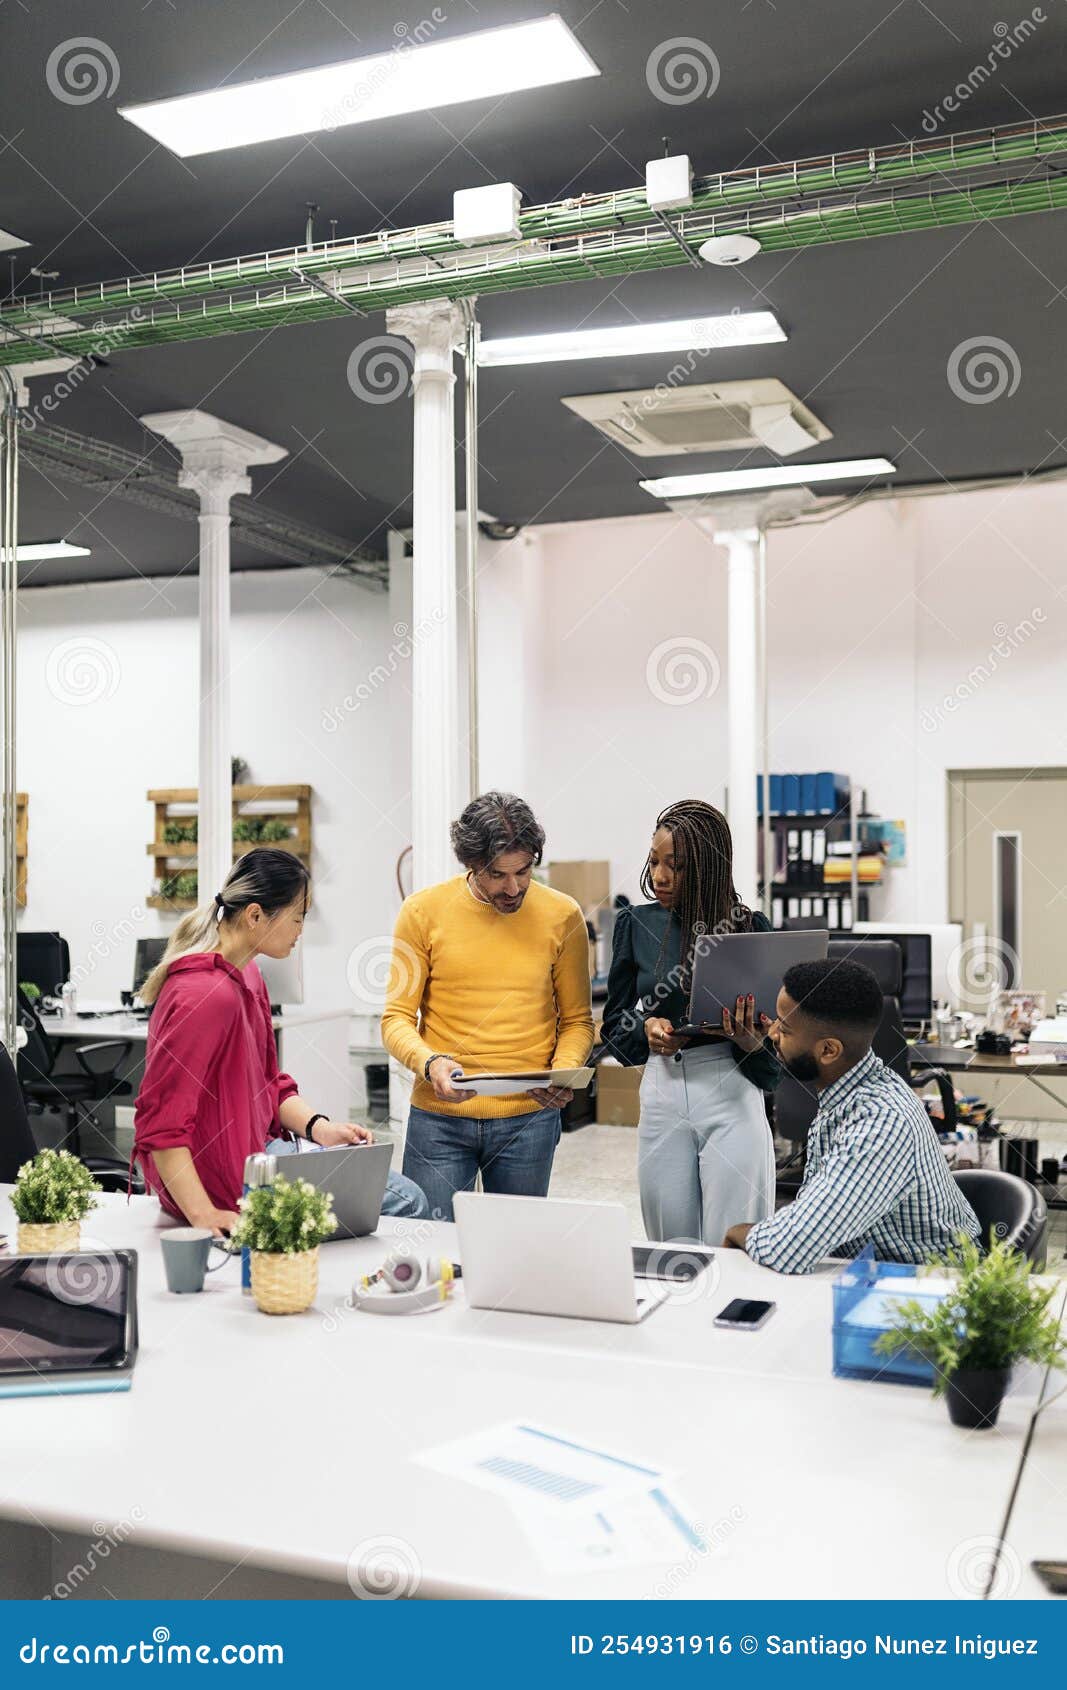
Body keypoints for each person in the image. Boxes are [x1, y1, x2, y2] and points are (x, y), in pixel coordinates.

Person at [134, 848, 428, 1234]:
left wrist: (319, 1129)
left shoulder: (248, 976)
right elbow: (162, 1125)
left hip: (258, 1154)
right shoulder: (204, 995)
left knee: (385, 1188)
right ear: (255, 916)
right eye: (297, 917)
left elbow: (267, 1084)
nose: (301, 930)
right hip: (226, 1183)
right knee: (409, 1201)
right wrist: (204, 1215)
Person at [382, 792, 594, 1221]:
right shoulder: (422, 912)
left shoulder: (563, 915)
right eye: (497, 875)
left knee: (514, 1245)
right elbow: (396, 1019)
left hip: (528, 1118)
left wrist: (563, 1071)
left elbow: (577, 1021)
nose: (513, 888)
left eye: (523, 871)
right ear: (470, 863)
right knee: (433, 1247)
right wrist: (430, 1063)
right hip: (440, 1119)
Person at [723, 957, 980, 1272]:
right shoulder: (850, 1094)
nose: (772, 1032)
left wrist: (736, 1233)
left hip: (933, 1286)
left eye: (784, 1028)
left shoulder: (881, 1123)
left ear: (829, 1050)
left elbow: (788, 1247)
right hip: (870, 1274)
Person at [601, 799, 779, 1247]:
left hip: (732, 1090)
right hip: (662, 1091)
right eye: (654, 862)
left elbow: (777, 1057)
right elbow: (614, 1028)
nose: (660, 876)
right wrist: (644, 1027)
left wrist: (751, 1042)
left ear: (707, 867)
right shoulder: (635, 925)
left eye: (675, 866)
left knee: (734, 1242)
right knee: (670, 1248)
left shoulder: (749, 927)